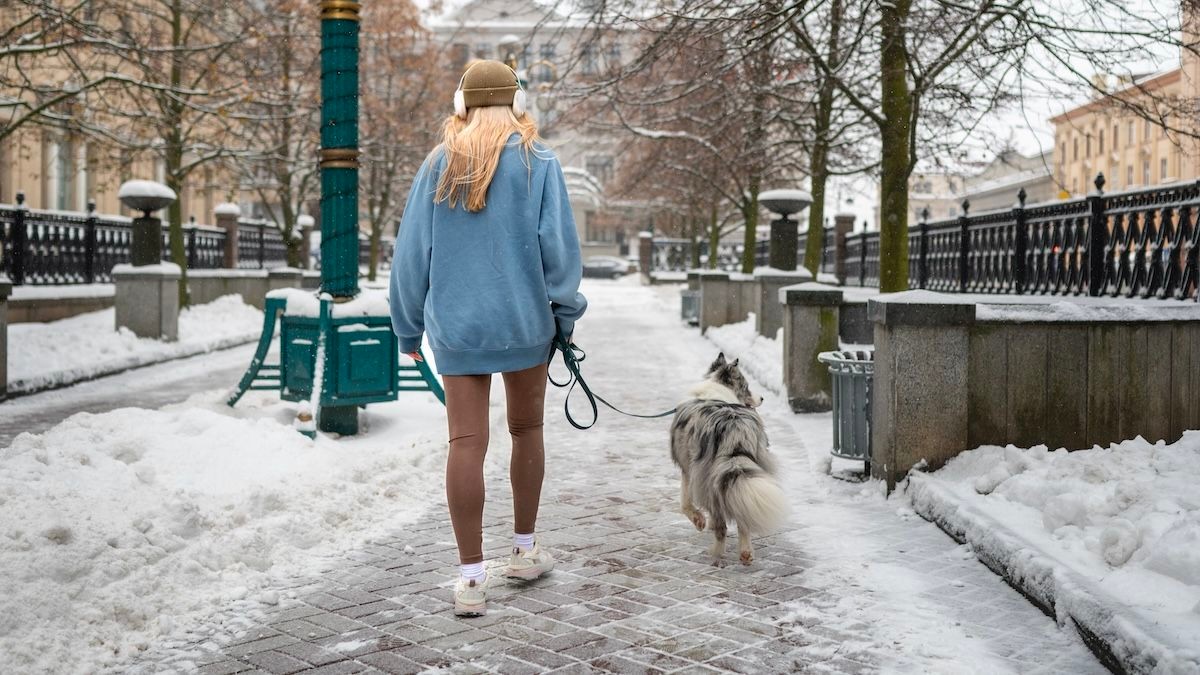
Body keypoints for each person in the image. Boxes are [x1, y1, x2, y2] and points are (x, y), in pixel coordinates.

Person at [389, 60, 587, 617]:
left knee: (465, 444)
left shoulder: (438, 165)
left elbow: (411, 256)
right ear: (517, 104)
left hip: (459, 326)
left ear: (464, 106)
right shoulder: (538, 163)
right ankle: (524, 551)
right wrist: (564, 315)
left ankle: (471, 579)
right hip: (524, 322)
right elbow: (560, 249)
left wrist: (408, 326)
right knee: (527, 430)